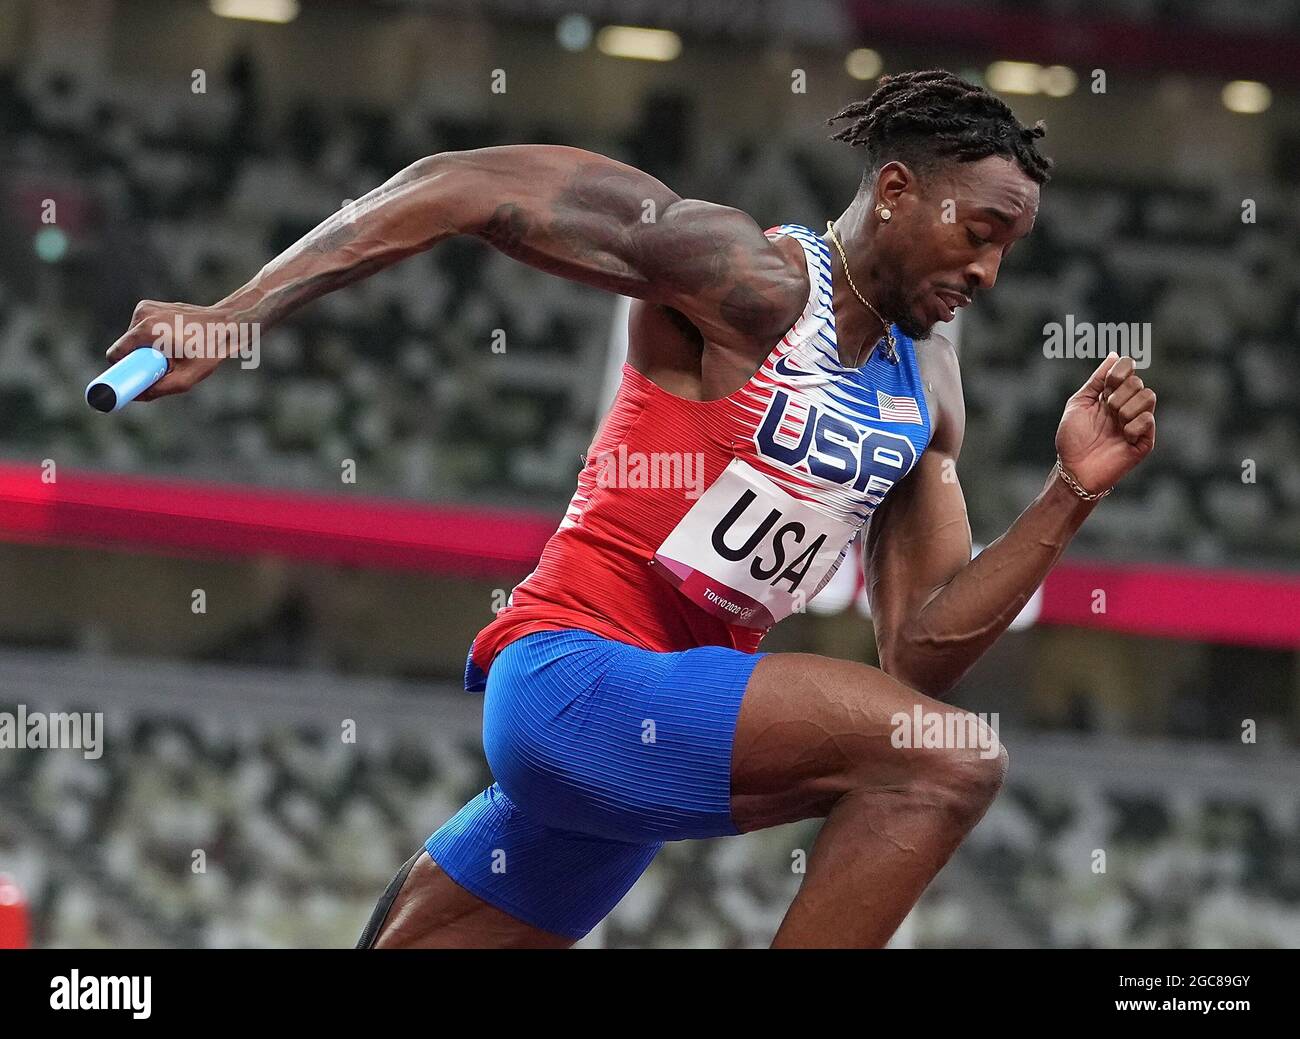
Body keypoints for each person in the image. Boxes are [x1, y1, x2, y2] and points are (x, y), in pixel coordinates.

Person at [108, 70, 1157, 948]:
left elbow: (921, 652)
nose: (987, 269)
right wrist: (233, 316)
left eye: (1007, 248)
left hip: (633, 770)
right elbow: (462, 183)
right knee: (952, 756)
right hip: (573, 683)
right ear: (892, 190)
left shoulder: (924, 396)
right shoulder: (740, 274)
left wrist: (1068, 495)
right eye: (977, 231)